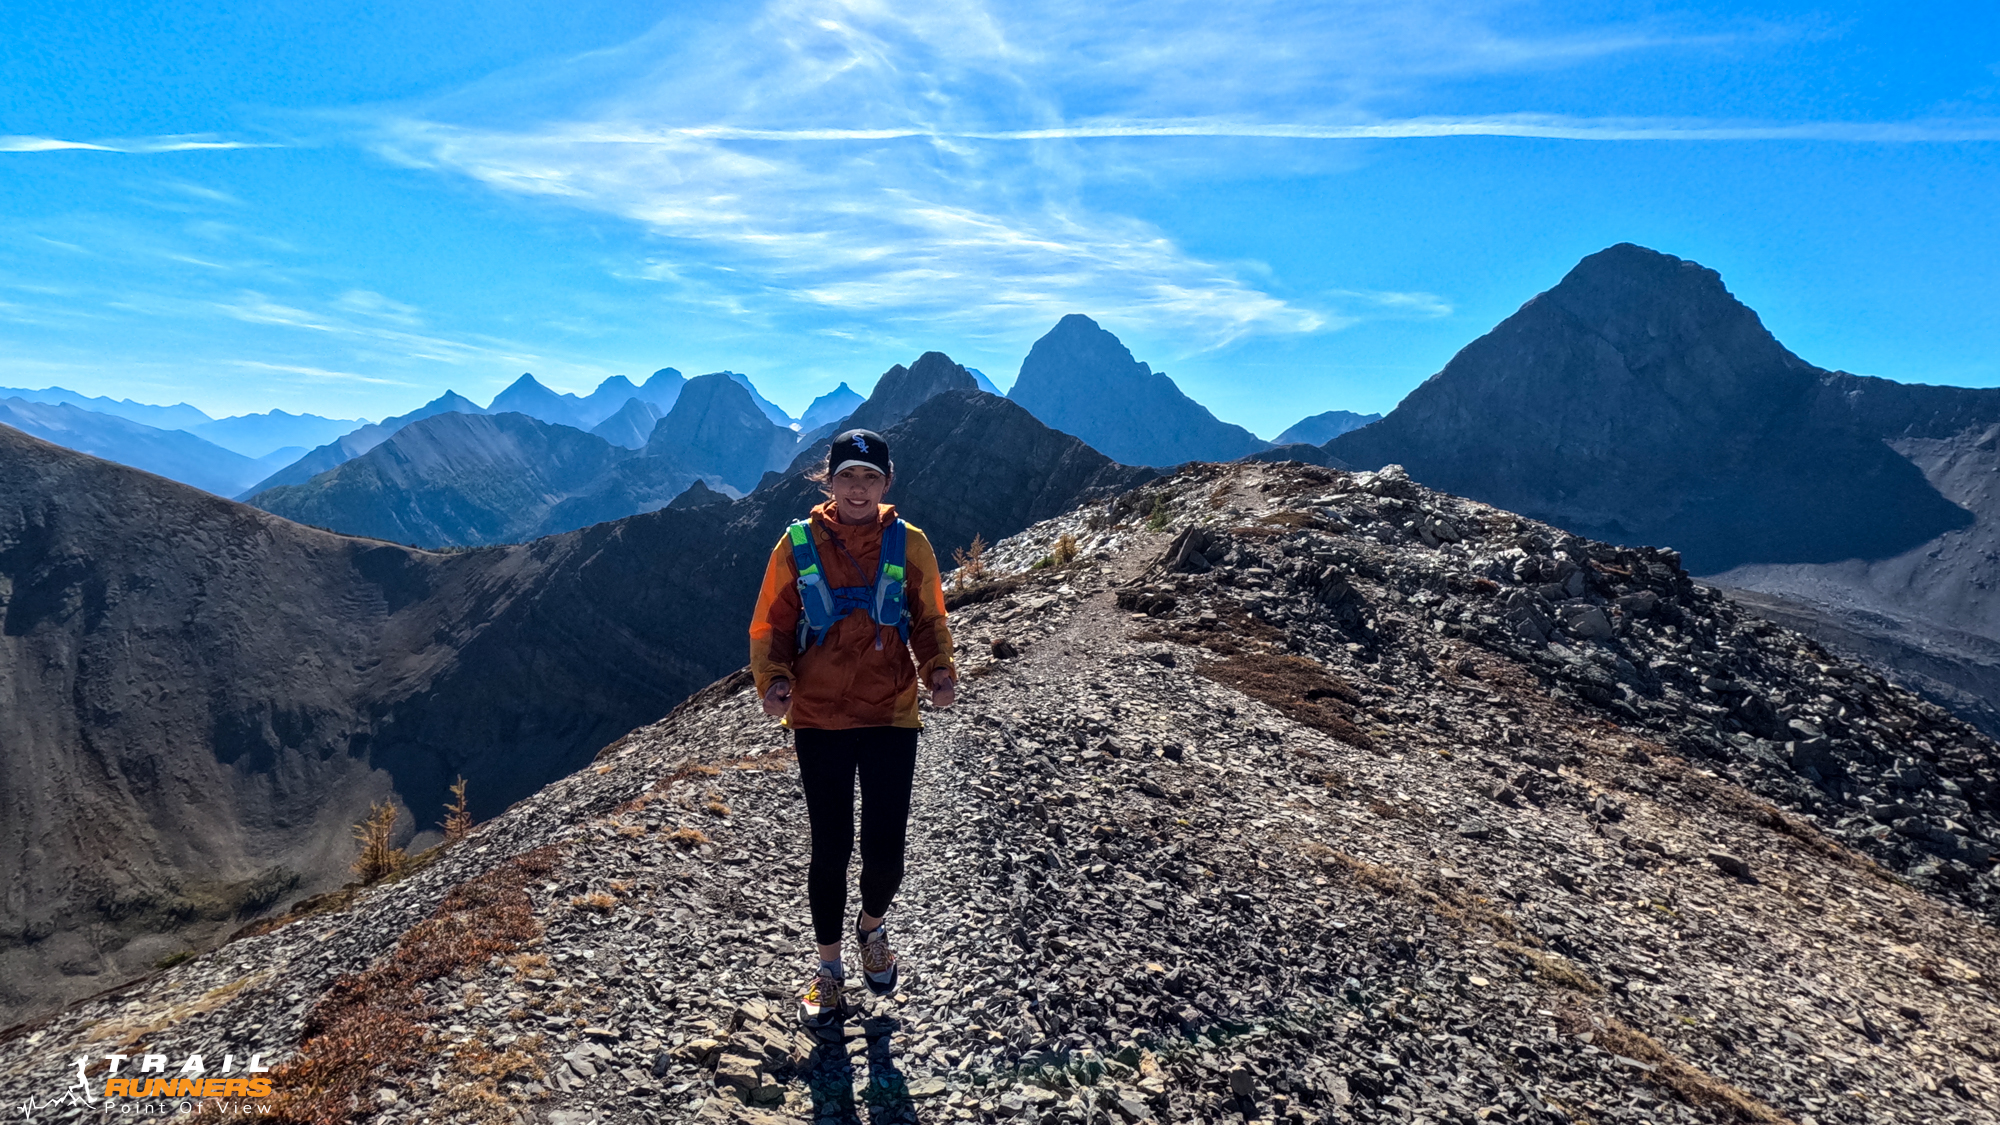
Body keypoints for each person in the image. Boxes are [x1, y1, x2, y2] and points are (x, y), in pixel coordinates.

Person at [748, 428, 958, 1027]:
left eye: (870, 477)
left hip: (891, 711)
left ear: (886, 483)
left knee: (886, 853)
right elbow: (771, 625)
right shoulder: (796, 545)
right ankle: (829, 969)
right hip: (820, 716)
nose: (858, 489)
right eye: (847, 477)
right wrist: (773, 681)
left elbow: (929, 618)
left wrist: (939, 670)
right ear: (828, 481)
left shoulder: (910, 543)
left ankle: (871, 928)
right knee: (831, 847)